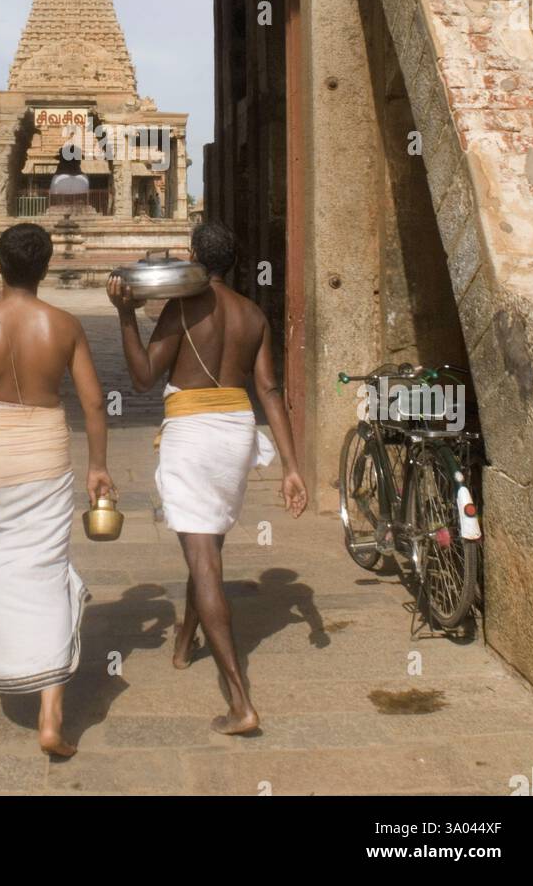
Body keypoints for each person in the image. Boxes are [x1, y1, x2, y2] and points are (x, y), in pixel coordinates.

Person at [107, 220, 308, 735]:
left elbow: (144, 378)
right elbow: (269, 393)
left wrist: (126, 317)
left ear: (194, 257)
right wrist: (290, 467)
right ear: (234, 262)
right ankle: (182, 643)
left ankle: (240, 701)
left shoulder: (182, 307)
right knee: (208, 547)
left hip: (193, 434)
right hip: (237, 432)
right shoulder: (254, 315)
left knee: (204, 560)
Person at [0, 223, 114, 758]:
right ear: (45, 268)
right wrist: (98, 468)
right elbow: (93, 403)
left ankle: (8, 660)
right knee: (45, 566)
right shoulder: (64, 325)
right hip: (47, 455)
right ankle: (51, 712)